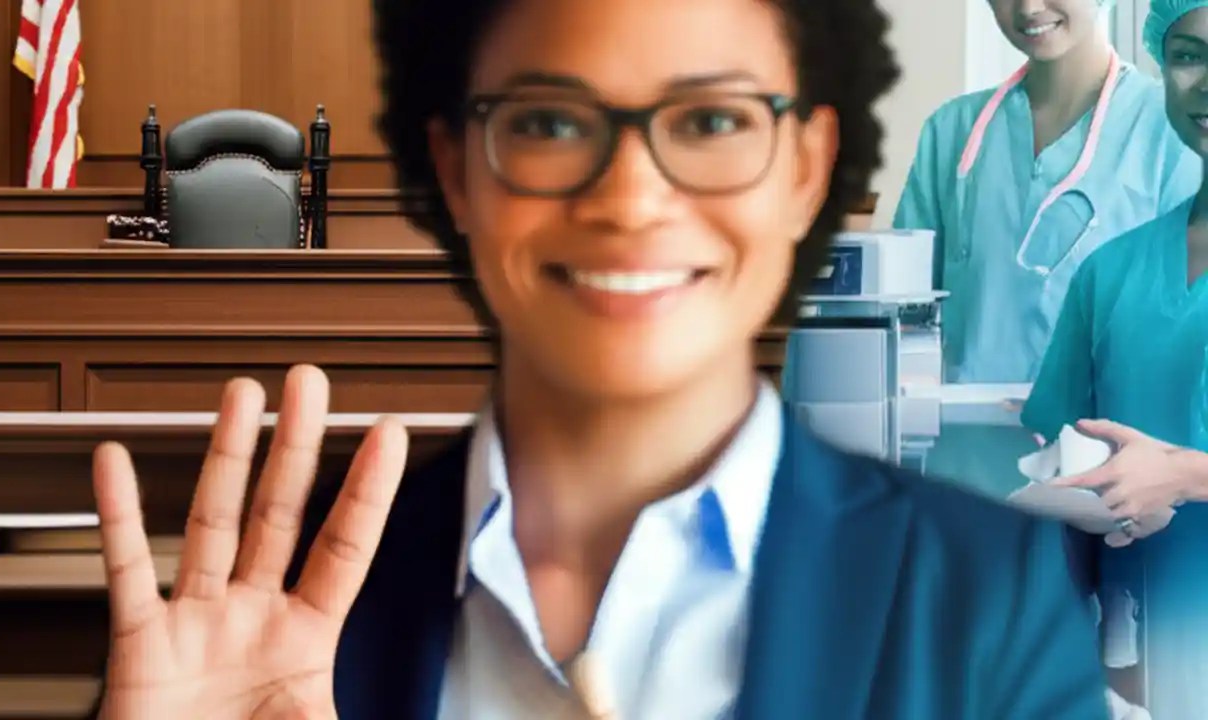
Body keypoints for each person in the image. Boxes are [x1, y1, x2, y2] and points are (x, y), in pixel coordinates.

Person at [87, 0, 1109, 718]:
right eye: (547, 122)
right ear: (454, 172)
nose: (628, 201)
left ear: (805, 169)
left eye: (710, 121)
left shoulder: (989, 599)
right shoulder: (283, 616)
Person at [1021, 2, 1208, 717]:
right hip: (1143, 677)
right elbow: (1070, 476)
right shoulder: (1111, 273)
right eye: (1188, 55)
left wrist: (1187, 476)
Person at [895, 0, 1198, 386]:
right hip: (960, 434)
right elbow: (902, 311)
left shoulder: (1172, 132)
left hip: (1111, 437)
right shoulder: (951, 130)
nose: (1028, 7)